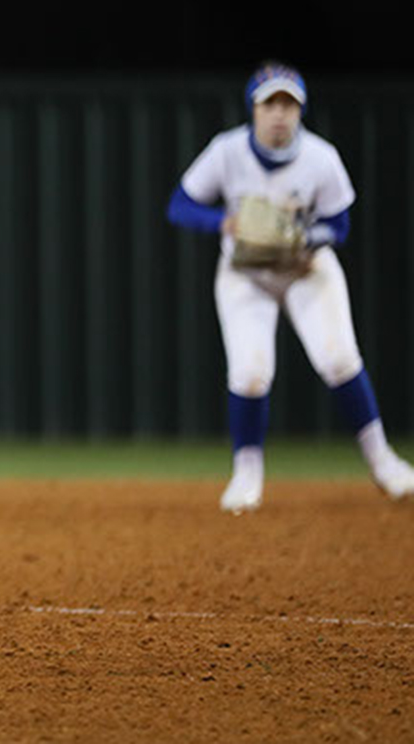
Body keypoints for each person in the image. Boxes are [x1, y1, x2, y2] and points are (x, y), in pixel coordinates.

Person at [166, 62, 414, 513]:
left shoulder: (320, 158)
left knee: (339, 359)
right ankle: (247, 474)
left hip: (306, 268)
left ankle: (384, 463)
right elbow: (179, 205)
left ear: (300, 110)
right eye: (270, 103)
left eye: (289, 104)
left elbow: (339, 223)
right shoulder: (227, 152)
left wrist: (309, 238)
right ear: (254, 110)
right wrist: (223, 221)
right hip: (246, 273)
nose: (280, 113)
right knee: (250, 371)